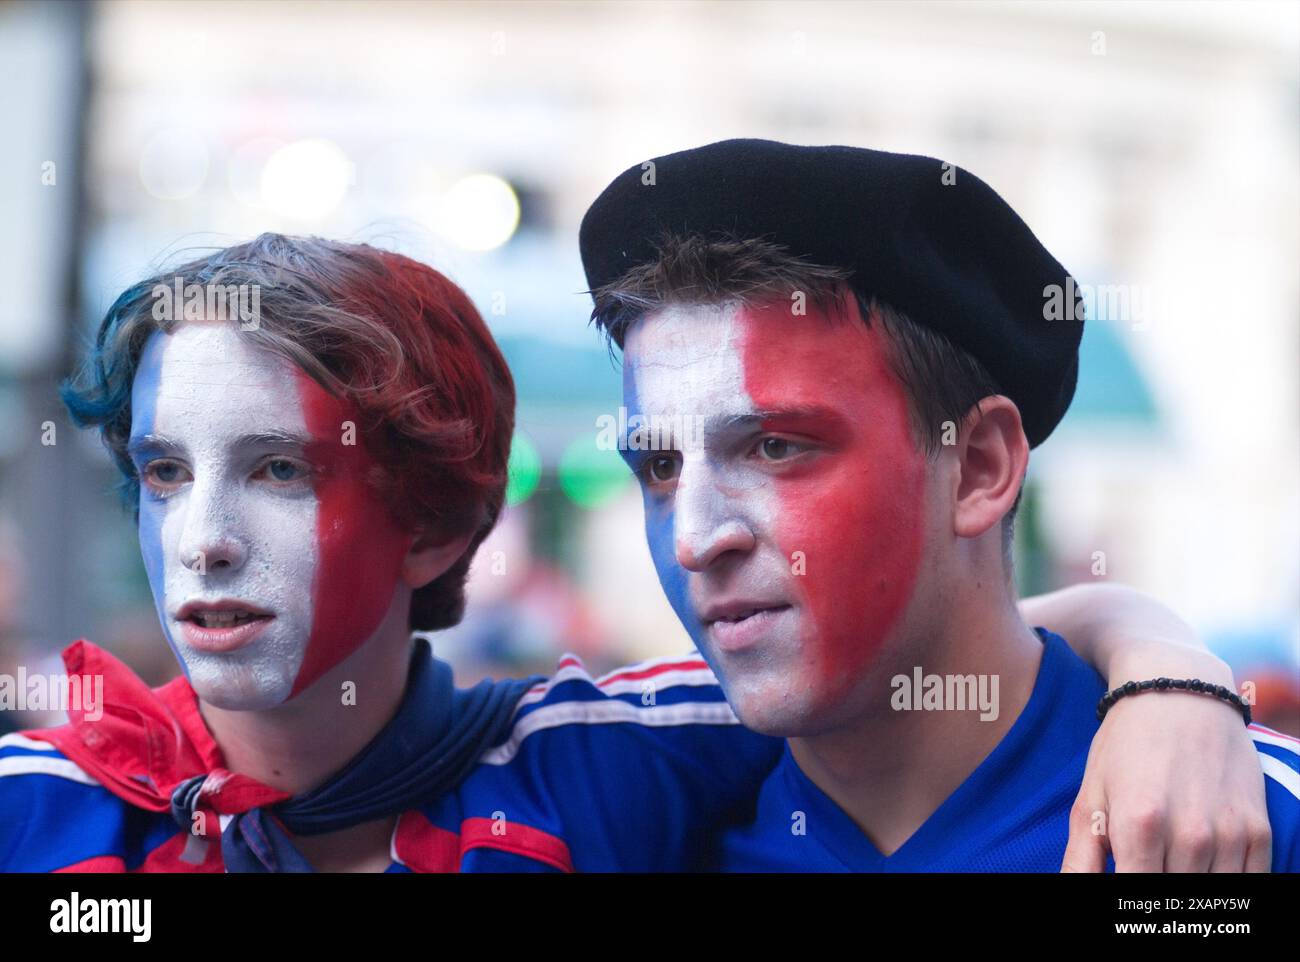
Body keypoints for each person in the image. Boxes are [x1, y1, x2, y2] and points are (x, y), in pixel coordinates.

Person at [0, 232, 1273, 872]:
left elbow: (936, 665)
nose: (204, 537)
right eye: (161, 471)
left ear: (441, 520)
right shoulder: (33, 797)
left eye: (278, 468)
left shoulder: (607, 763)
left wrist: (1161, 669)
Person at [578, 138, 1298, 871]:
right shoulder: (626, 816)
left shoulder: (1242, 833)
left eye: (775, 447)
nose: (694, 540)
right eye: (661, 466)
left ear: (979, 467)